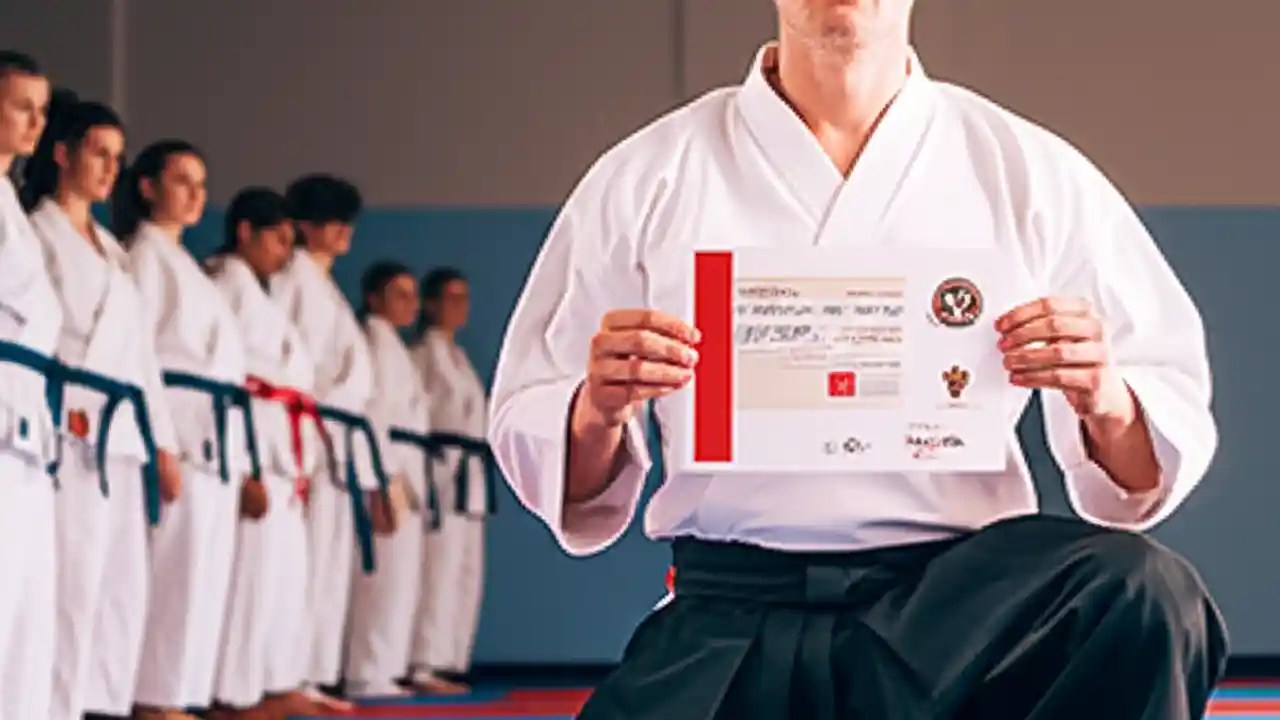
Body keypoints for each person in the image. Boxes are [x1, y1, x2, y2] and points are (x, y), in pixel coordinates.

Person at [487, 2, 1227, 719]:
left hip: (965, 618)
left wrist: (1105, 398)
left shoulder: (1025, 168)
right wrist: (596, 408)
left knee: (1142, 592)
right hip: (734, 613)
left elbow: (1143, 472)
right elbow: (558, 464)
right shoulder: (650, 174)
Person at [22, 91, 183, 720]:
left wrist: (163, 443)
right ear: (62, 155)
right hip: (69, 430)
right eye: (98, 152)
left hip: (123, 436)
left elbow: (142, 359)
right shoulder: (38, 233)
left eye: (118, 155)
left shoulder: (113, 253)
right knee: (69, 584)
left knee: (120, 587)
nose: (110, 167)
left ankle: (103, 705)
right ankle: (57, 707)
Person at [117, 140, 255, 720]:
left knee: (204, 571)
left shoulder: (187, 265)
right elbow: (136, 355)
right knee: (174, 568)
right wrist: (160, 441)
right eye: (182, 181)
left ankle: (182, 692)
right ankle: (155, 697)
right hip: (178, 428)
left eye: (202, 184)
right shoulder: (142, 258)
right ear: (147, 186)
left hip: (214, 436)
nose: (197, 195)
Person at [275, 172, 396, 712]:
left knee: (327, 566)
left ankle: (314, 674)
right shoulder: (291, 282)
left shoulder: (322, 286)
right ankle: (291, 675)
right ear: (305, 226)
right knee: (302, 565)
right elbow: (289, 367)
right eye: (332, 221)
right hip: (311, 434)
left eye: (347, 222)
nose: (344, 232)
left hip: (336, 442)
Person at [206, 187, 320, 719]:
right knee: (249, 577)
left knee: (281, 577)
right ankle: (234, 693)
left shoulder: (256, 291)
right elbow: (226, 380)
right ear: (246, 232)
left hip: (281, 447)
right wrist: (245, 463)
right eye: (277, 238)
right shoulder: (222, 283)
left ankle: (273, 682)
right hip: (250, 442)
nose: (284, 251)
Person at [0, 49, 59, 720]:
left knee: (25, 592)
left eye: (43, 110)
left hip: (24, 414)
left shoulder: (11, 202)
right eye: (23, 106)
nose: (35, 121)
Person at [345, 261, 432, 698]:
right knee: (383, 577)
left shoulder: (394, 346)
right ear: (374, 298)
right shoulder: (375, 344)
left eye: (413, 295)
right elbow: (373, 414)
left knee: (401, 578)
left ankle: (385, 667)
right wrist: (382, 476)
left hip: (406, 465)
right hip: (389, 464)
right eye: (399, 294)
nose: (410, 304)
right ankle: (367, 670)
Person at [409, 266, 491, 696]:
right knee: (437, 568)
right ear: (431, 304)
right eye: (451, 298)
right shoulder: (422, 354)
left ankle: (449, 659)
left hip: (468, 473)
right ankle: (423, 661)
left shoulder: (457, 356)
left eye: (464, 299)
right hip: (441, 471)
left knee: (463, 570)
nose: (460, 308)